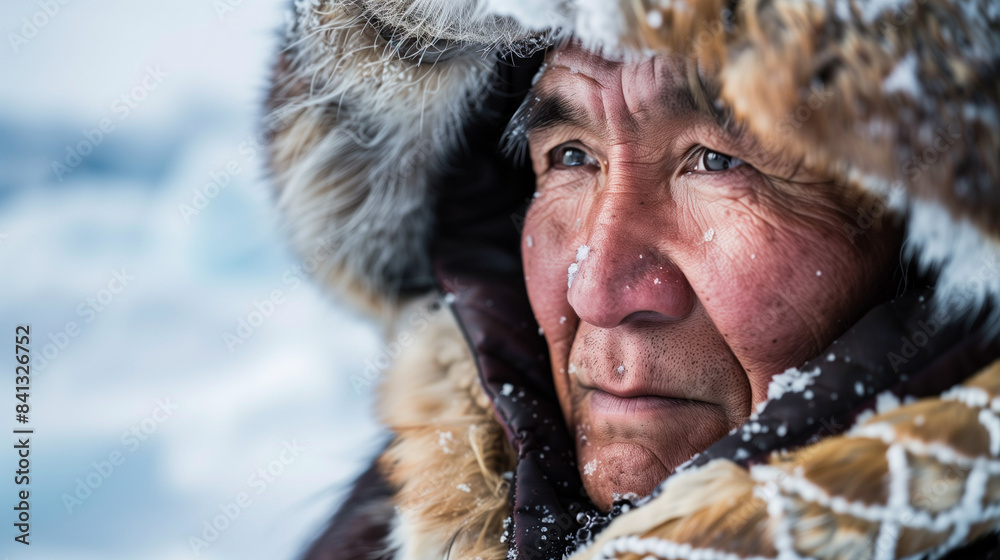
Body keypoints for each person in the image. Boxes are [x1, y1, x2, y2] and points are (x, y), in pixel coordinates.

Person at [265, 1, 1000, 559]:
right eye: (572, 157)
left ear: (934, 246)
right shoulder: (421, 507)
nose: (599, 289)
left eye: (719, 161)